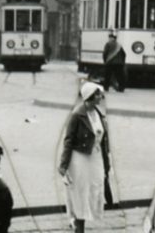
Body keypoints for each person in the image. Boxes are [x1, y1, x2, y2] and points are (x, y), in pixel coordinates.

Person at [58, 81, 111, 233]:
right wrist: (64, 164)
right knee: (80, 193)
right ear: (90, 97)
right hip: (79, 160)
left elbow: (103, 141)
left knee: (94, 189)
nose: (101, 97)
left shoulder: (98, 114)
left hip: (95, 158)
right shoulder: (77, 115)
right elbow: (68, 140)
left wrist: (107, 165)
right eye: (98, 95)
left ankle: (78, 222)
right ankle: (78, 226)